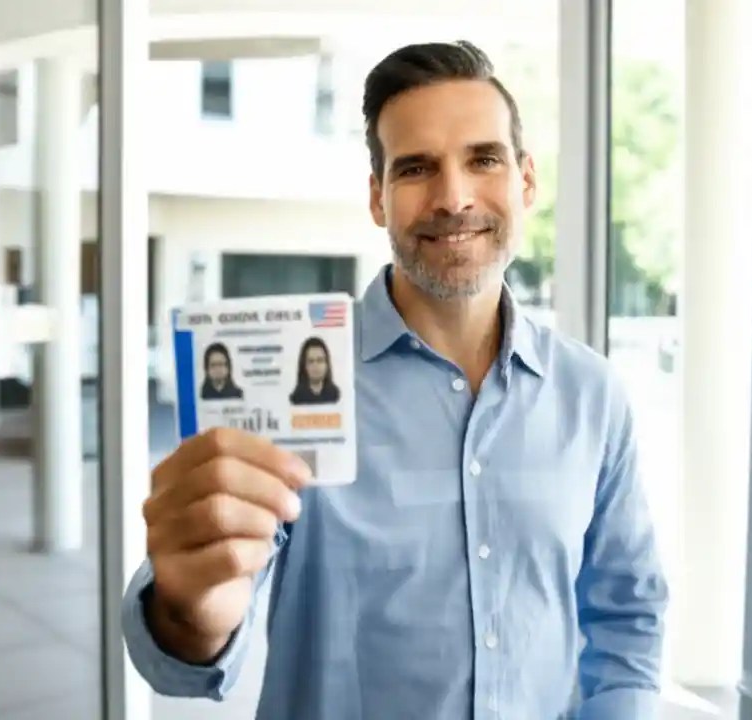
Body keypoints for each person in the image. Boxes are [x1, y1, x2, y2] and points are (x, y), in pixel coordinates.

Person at [123, 41, 668, 719]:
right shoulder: (294, 378)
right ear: (378, 199)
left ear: (525, 181)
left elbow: (628, 614)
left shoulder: (593, 395)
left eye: (483, 159)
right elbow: (185, 638)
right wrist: (194, 610)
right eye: (415, 168)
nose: (453, 197)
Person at [288, 336, 341, 405]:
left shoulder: (336, 396)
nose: (315, 366)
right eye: (311, 361)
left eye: (320, 360)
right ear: (304, 366)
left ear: (327, 364)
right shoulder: (296, 399)